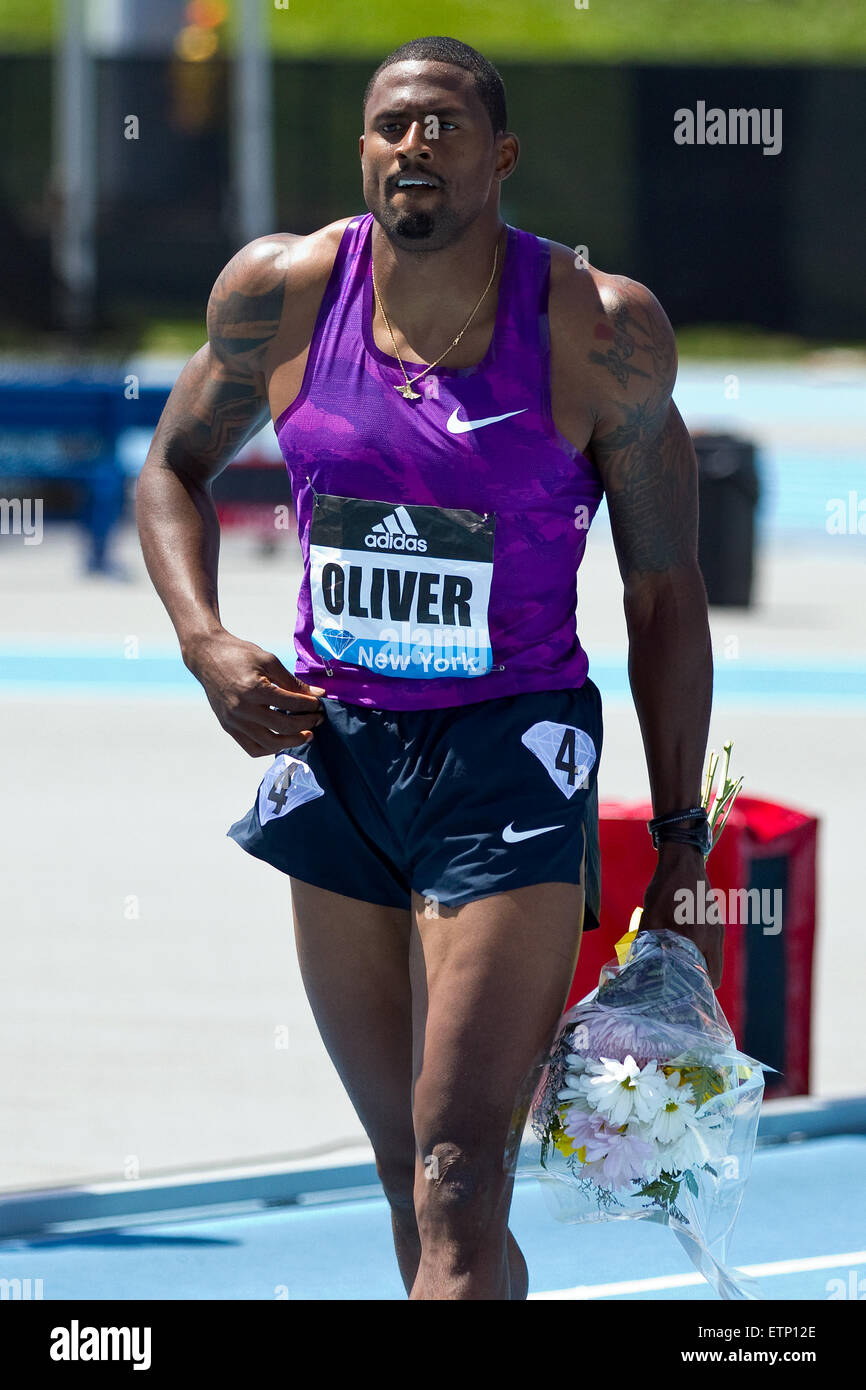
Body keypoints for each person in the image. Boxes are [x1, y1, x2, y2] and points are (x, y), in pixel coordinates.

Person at [136, 34, 718, 1301]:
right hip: (337, 751)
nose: (415, 145)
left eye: (444, 125)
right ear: (362, 149)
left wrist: (679, 836)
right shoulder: (282, 294)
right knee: (411, 1171)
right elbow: (170, 468)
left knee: (463, 1163)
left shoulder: (595, 328)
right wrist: (205, 641)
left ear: (499, 155)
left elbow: (663, 587)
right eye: (392, 125)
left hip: (507, 753)